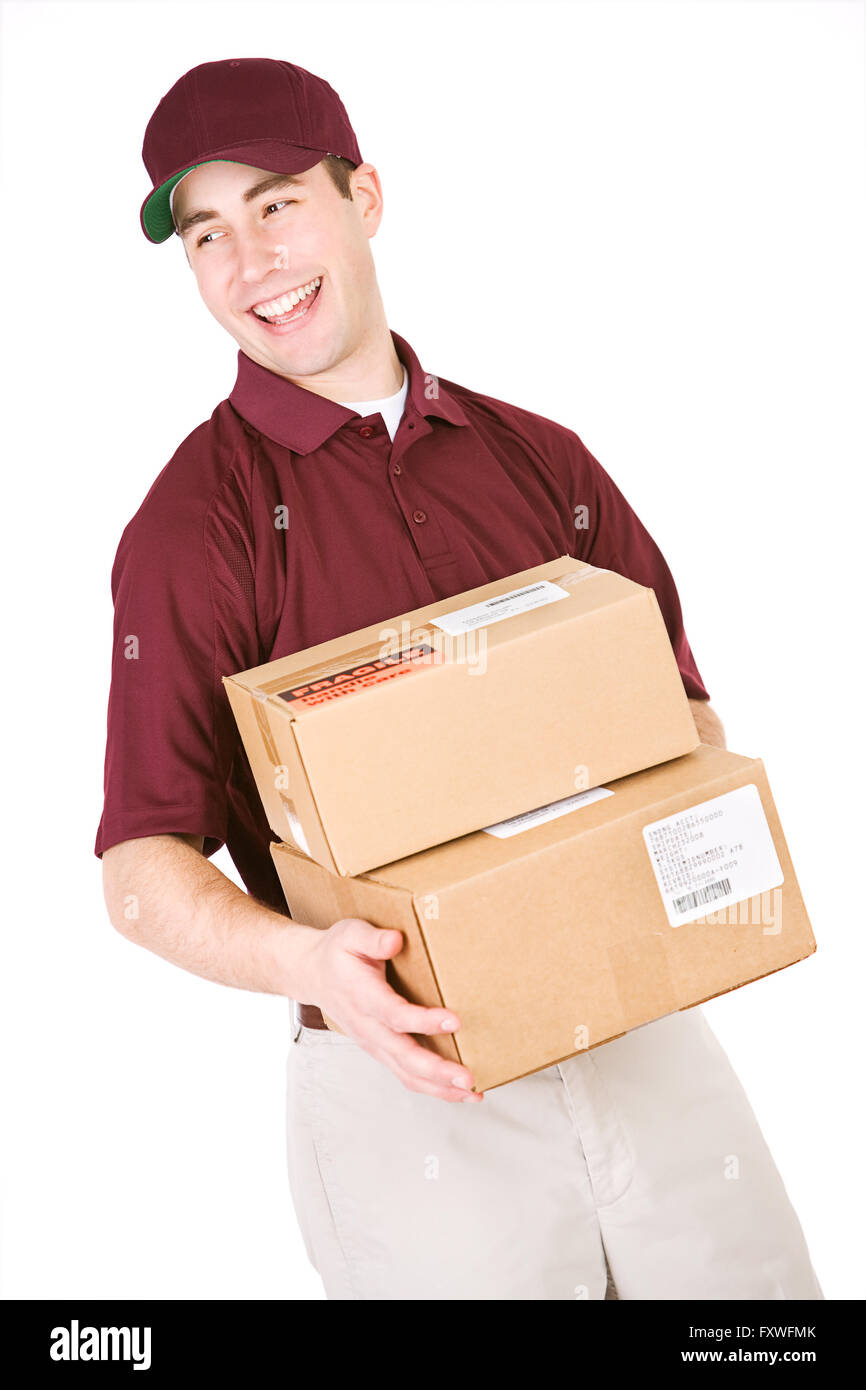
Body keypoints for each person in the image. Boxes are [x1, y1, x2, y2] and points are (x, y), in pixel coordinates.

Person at [97, 57, 823, 1301]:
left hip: (642, 1028)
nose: (250, 262)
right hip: (405, 1079)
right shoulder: (189, 529)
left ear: (363, 196)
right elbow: (138, 871)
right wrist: (311, 965)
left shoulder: (542, 461)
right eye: (207, 234)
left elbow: (686, 718)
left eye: (278, 204)